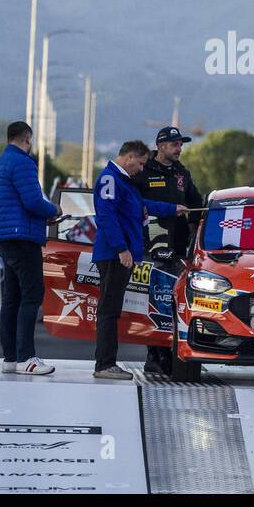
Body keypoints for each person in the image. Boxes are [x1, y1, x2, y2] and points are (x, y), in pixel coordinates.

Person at [92, 140, 187, 380]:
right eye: (142, 163)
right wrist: (121, 249)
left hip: (120, 254)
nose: (142, 169)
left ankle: (106, 363)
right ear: (131, 157)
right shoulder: (111, 179)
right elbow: (106, 217)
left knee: (111, 310)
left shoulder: (125, 182)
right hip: (115, 256)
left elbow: (143, 206)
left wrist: (172, 208)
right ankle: (105, 364)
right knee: (108, 311)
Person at [0, 121, 60, 376]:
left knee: (11, 299)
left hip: (4, 239)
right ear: (28, 139)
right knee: (32, 296)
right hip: (23, 238)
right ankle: (27, 358)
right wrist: (54, 211)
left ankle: (10, 358)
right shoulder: (23, 162)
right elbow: (32, 201)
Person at [133, 126, 204, 375]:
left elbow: (196, 202)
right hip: (152, 247)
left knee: (174, 303)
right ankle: (154, 356)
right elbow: (134, 203)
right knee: (155, 300)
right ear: (161, 145)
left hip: (179, 248)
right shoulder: (143, 170)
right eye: (175, 144)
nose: (179, 148)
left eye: (181, 144)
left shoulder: (181, 173)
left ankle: (172, 354)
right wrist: (167, 208)